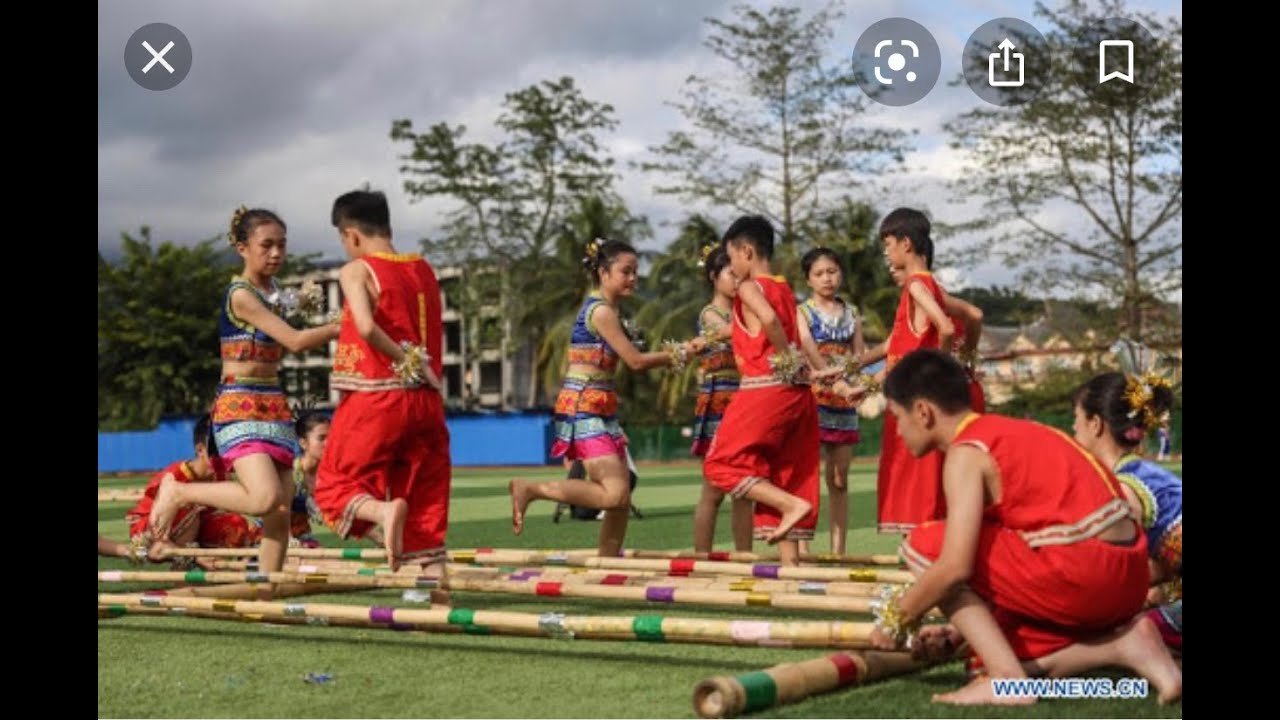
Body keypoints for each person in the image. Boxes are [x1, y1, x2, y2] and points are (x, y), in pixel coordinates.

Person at [867, 350, 1180, 705]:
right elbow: (1009, 555)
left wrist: (897, 618)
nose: (896, 430)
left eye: (896, 417)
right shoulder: (1018, 430)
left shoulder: (967, 453)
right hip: (1127, 582)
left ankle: (1006, 679)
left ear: (922, 412)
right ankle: (1122, 647)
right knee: (992, 655)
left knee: (924, 541)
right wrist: (959, 633)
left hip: (1086, 575)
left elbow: (955, 568)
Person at [149, 209, 340, 573]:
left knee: (280, 514)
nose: (276, 253)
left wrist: (301, 301)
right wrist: (339, 326)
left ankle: (264, 592)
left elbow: (282, 316)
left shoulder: (272, 293)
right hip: (239, 405)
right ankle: (179, 491)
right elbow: (296, 341)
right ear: (242, 248)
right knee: (265, 498)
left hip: (274, 405)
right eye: (266, 245)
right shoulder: (241, 295)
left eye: (281, 245)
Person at [510, 239, 702, 557]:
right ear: (603, 272)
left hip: (598, 407)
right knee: (614, 495)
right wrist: (680, 352)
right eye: (626, 271)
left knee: (622, 496)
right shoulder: (601, 312)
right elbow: (636, 362)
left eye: (635, 272)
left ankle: (609, 560)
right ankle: (530, 489)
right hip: (584, 406)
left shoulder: (608, 309)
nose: (633, 278)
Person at [703, 216, 855, 565]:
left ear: (746, 251)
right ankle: (791, 566)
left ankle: (790, 506)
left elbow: (769, 322)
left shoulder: (748, 287)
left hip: (764, 388)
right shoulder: (786, 289)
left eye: (732, 258)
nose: (732, 267)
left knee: (720, 464)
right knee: (786, 473)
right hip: (798, 396)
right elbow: (792, 331)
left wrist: (786, 357)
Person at [312, 190, 450, 574]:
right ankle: (437, 599)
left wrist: (405, 358)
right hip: (427, 402)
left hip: (378, 397)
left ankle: (383, 511)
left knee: (333, 485)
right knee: (424, 506)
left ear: (351, 235)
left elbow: (366, 327)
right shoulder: (425, 270)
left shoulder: (357, 270)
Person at [1072, 371, 1182, 652]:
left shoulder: (1121, 490)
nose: (1073, 432)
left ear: (1095, 424)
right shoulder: (1150, 474)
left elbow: (1117, 576)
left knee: (1110, 637)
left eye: (1076, 421)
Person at [876, 209, 954, 535]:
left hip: (915, 397)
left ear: (905, 244)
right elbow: (897, 348)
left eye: (888, 244)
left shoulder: (916, 285)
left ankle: (921, 561)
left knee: (913, 481)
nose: (885, 252)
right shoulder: (930, 284)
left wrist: (937, 370)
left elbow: (946, 328)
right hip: (913, 391)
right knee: (924, 481)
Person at [796, 248, 864, 555]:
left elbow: (859, 355)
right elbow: (809, 349)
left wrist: (859, 385)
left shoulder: (851, 313)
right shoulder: (803, 312)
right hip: (813, 396)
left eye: (832, 271)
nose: (827, 278)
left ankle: (839, 551)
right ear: (809, 279)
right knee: (806, 474)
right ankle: (804, 550)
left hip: (845, 401)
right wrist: (834, 381)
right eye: (820, 273)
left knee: (839, 477)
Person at [690, 245, 752, 554]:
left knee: (744, 489)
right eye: (730, 274)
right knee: (713, 489)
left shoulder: (743, 312)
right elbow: (728, 332)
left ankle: (744, 556)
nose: (737, 280)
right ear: (714, 277)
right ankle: (702, 556)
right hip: (718, 402)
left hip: (742, 401)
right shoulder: (710, 314)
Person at [129, 414, 260, 559]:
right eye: (220, 452)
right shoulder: (175, 476)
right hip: (150, 531)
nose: (228, 458)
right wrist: (197, 558)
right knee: (189, 507)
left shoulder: (221, 475)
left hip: (194, 531)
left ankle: (230, 563)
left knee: (236, 523)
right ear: (200, 450)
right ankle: (183, 562)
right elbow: (157, 518)